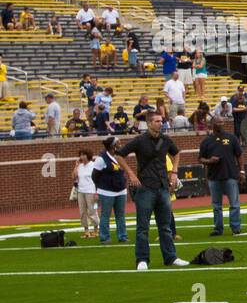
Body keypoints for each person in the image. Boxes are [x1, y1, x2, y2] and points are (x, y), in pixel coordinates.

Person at [116, 112, 188, 270]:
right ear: (149, 123)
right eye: (156, 121)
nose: (160, 123)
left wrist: (174, 172)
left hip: (163, 187)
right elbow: (120, 155)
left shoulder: (165, 139)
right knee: (143, 227)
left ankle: (170, 257)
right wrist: (131, 173)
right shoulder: (139, 140)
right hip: (145, 187)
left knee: (165, 226)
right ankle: (142, 259)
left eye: (161, 121)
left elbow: (176, 153)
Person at [198, 117, 243, 236]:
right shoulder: (206, 141)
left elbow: (239, 155)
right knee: (216, 205)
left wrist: (242, 171)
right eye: (218, 122)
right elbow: (200, 158)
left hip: (230, 175)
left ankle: (236, 227)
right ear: (212, 124)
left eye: (222, 122)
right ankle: (218, 228)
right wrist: (210, 161)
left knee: (234, 203)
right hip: (214, 177)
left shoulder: (231, 138)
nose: (221, 124)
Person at [91, 136, 129, 244]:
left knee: (120, 215)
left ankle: (122, 236)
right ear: (113, 146)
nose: (120, 145)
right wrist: (99, 187)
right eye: (118, 143)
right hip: (107, 191)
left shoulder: (119, 156)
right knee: (105, 215)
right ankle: (105, 237)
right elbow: (94, 176)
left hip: (121, 190)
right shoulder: (101, 158)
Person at [72, 149, 99, 239]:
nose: (82, 157)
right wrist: (76, 166)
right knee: (82, 212)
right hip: (81, 191)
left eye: (84, 155)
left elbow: (98, 179)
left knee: (92, 211)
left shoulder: (93, 165)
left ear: (88, 155)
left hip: (91, 191)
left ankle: (96, 229)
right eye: (80, 155)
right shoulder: (80, 166)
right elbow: (74, 176)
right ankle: (86, 231)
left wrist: (97, 192)